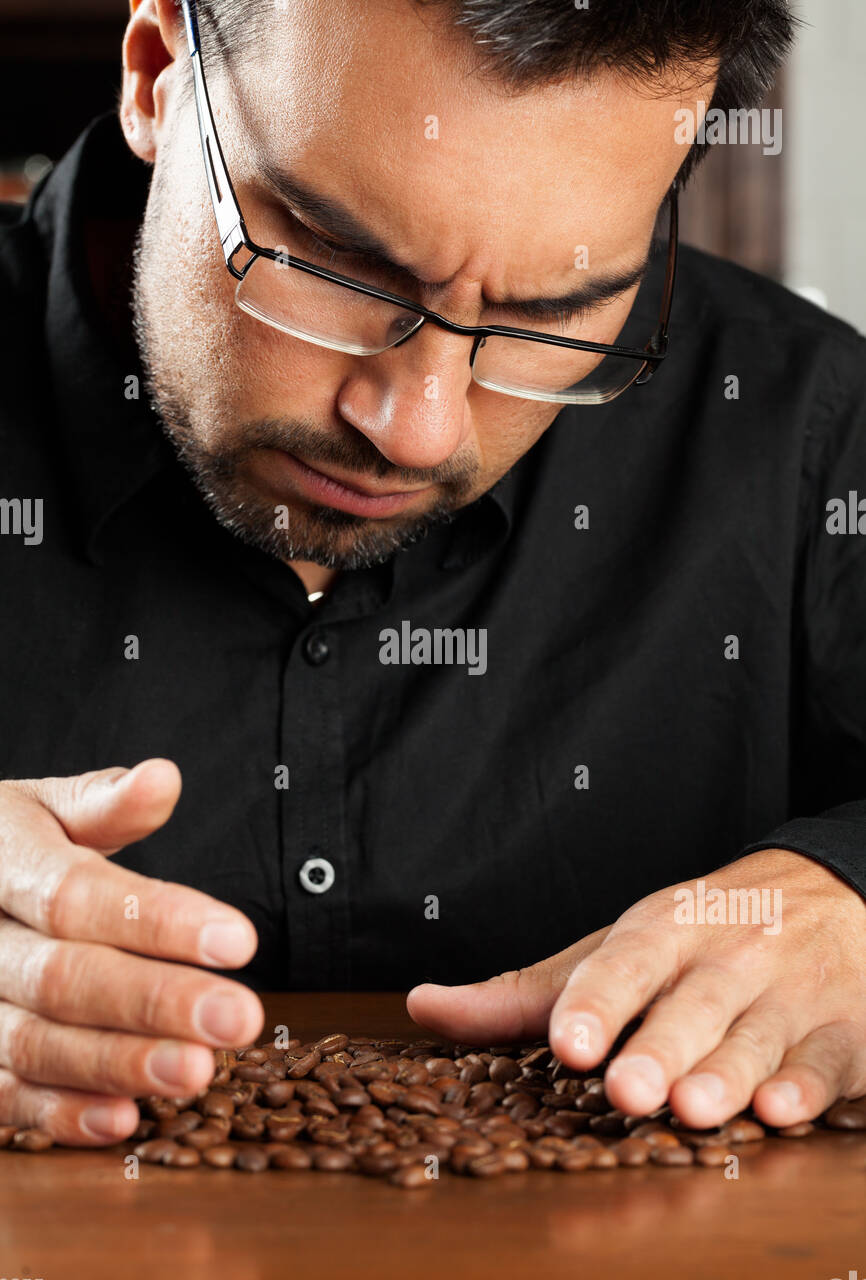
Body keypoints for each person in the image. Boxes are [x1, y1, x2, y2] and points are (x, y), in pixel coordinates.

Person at [2, 0, 864, 1149]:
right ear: (160, 72)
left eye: (552, 314)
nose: (416, 427)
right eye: (339, 261)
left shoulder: (801, 425)